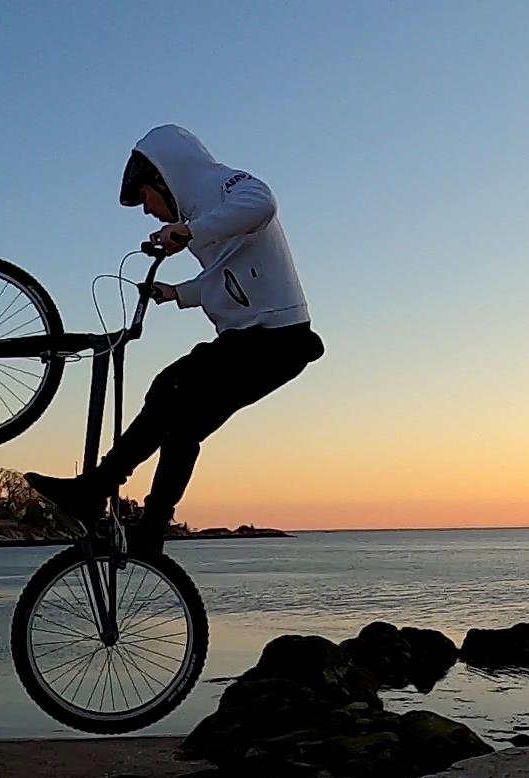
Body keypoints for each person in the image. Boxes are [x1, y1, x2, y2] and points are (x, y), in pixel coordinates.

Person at [26, 124, 324, 552]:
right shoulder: (206, 218)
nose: (148, 211)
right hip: (266, 343)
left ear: (165, 178)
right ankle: (151, 530)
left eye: (146, 198)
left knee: (170, 386)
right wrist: (176, 293)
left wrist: (189, 233)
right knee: (184, 431)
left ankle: (95, 489)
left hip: (273, 340)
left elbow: (262, 203)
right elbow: (226, 277)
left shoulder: (225, 185)